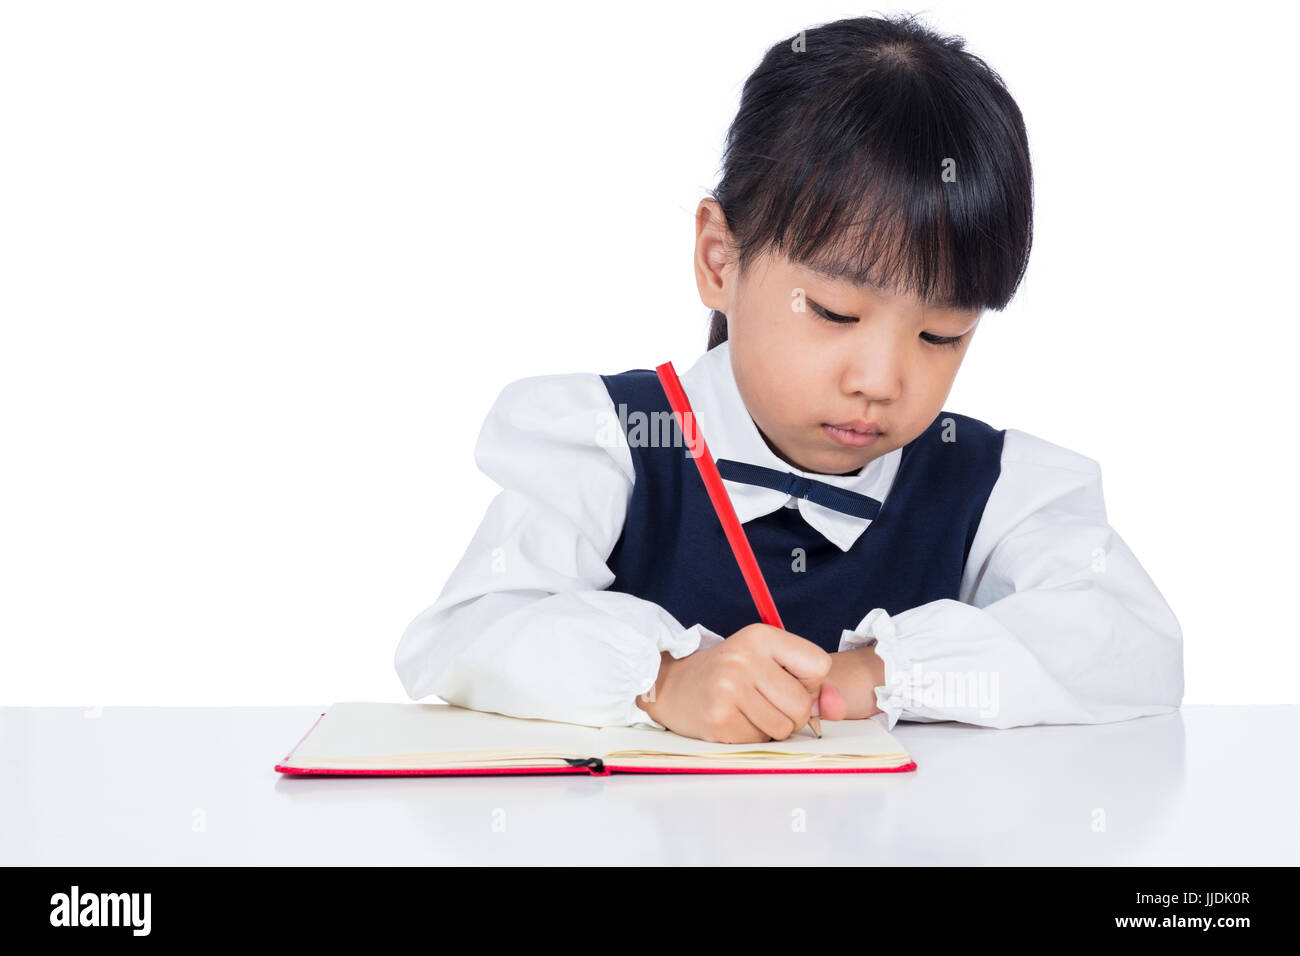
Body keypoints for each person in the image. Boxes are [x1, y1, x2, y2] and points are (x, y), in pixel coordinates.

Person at [394, 13, 1184, 743]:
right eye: (835, 313)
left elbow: (1133, 641)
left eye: (942, 333)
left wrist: (881, 673)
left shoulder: (990, 485)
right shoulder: (614, 442)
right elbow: (469, 630)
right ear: (719, 259)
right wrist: (661, 680)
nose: (881, 378)